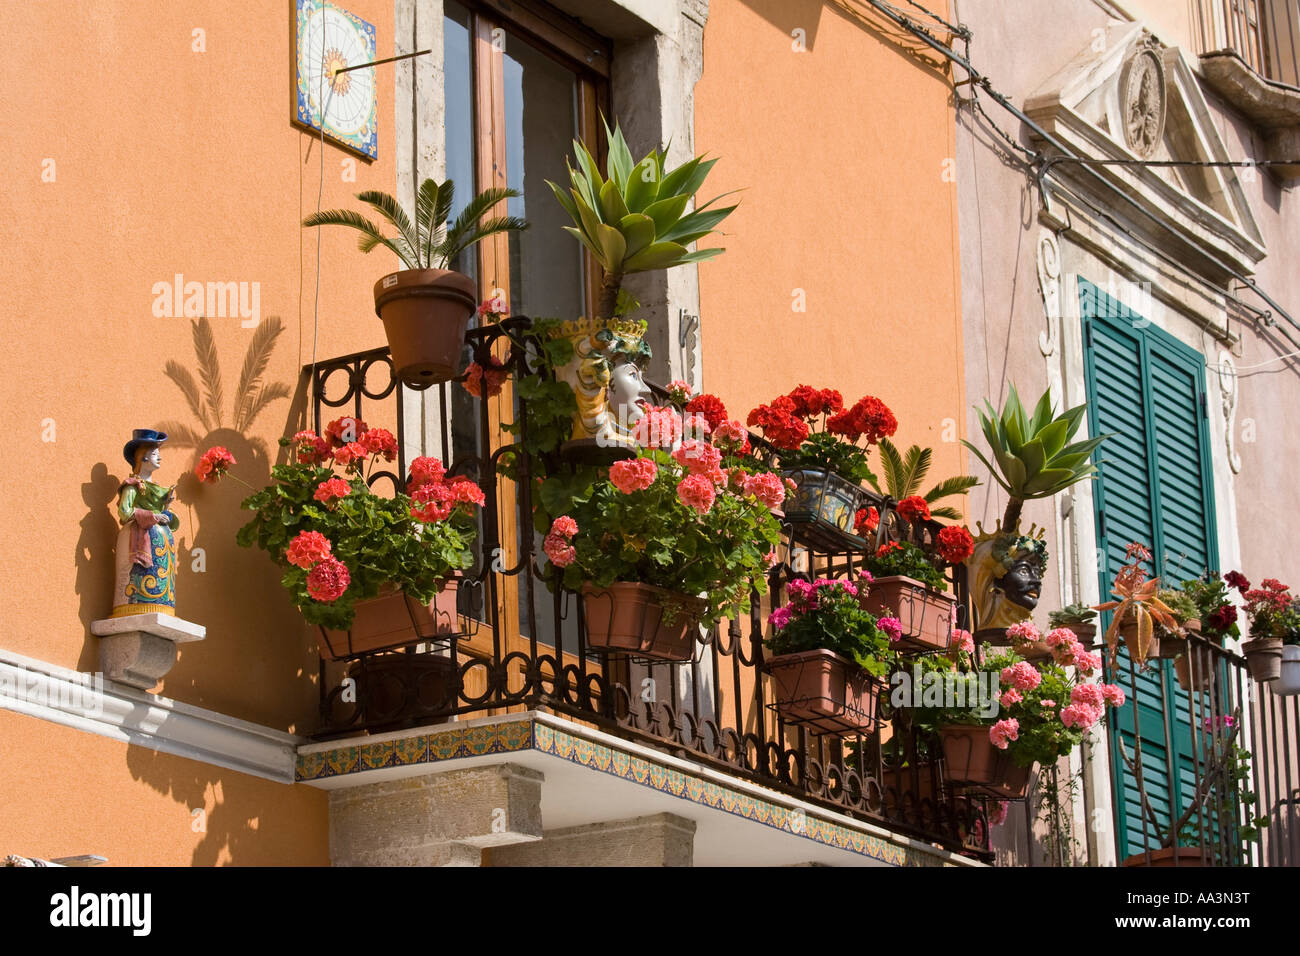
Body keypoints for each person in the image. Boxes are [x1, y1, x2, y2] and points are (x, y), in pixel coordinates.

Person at [111, 429, 179, 617]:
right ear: (144, 458)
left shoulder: (158, 490)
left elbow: (169, 520)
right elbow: (124, 513)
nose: (160, 458)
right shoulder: (133, 486)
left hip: (160, 539)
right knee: (137, 580)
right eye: (155, 453)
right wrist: (153, 517)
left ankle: (161, 600)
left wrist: (166, 512)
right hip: (139, 535)